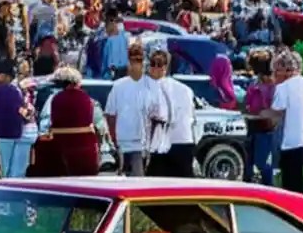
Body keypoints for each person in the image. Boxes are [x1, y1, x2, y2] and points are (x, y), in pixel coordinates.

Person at [260, 51, 303, 194]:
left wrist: (258, 114)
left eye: (276, 71)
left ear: (286, 70)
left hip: (290, 143)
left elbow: (275, 114)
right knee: (299, 182)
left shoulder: (283, 87)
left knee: (291, 187)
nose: (274, 75)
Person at [104, 43, 165, 176]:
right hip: (122, 145)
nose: (136, 64)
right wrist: (114, 143)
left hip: (142, 146)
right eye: (133, 60)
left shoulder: (152, 86)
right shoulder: (118, 87)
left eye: (139, 60)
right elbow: (110, 116)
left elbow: (158, 118)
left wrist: (152, 146)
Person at [32, 67, 100, 177]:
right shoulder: (88, 100)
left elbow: (46, 123)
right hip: (86, 147)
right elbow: (99, 124)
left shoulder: (53, 98)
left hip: (60, 148)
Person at [147, 49, 197, 178]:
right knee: (184, 187)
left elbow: (159, 116)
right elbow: (191, 117)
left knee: (155, 187)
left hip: (165, 144)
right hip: (186, 141)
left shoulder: (155, 87)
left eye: (154, 64)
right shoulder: (186, 89)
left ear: (163, 67)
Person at [0, 59, 31, 178]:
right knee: (14, 166)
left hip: (0, 132)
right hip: (16, 131)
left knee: (0, 165)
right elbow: (21, 110)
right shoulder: (16, 91)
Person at [242, 50, 278, 185]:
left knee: (262, 162)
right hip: (252, 125)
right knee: (248, 161)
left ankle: (270, 187)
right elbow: (248, 102)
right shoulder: (254, 84)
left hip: (265, 128)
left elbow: (269, 108)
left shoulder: (271, 87)